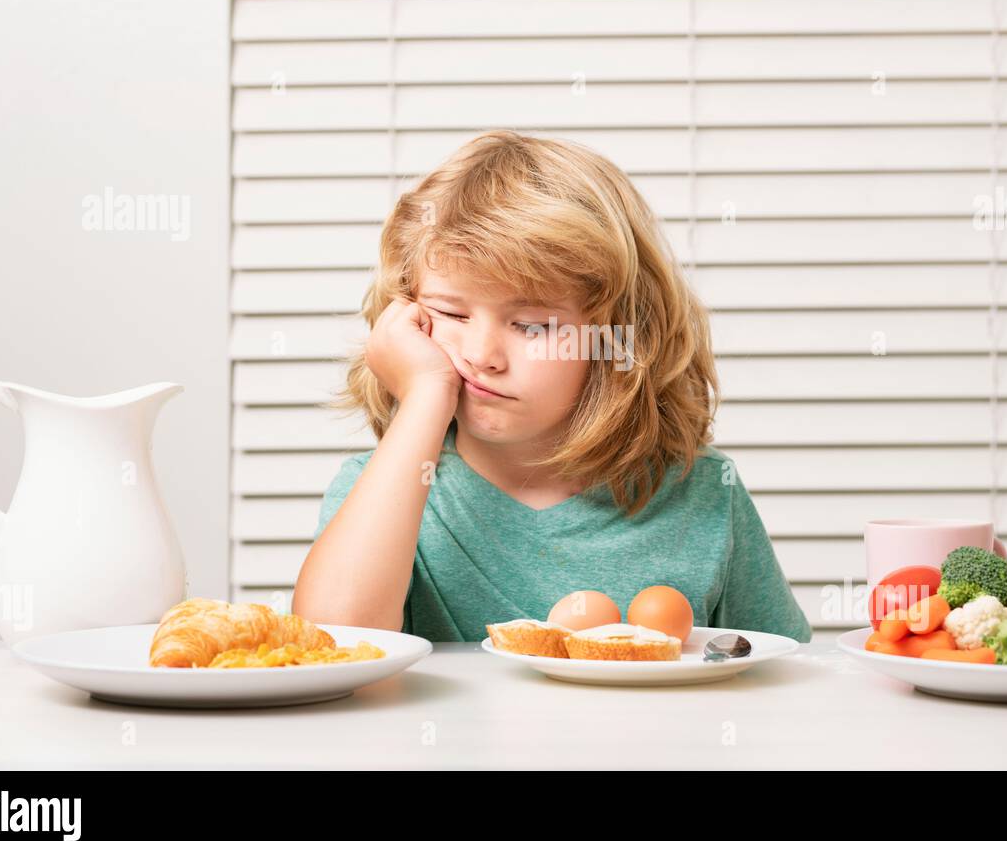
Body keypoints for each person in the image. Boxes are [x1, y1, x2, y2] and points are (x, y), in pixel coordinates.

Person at [293, 130, 811, 644]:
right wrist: (425, 395)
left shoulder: (703, 494)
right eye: (451, 312)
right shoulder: (383, 487)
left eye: (533, 326)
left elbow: (784, 673)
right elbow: (334, 645)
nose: (481, 356)